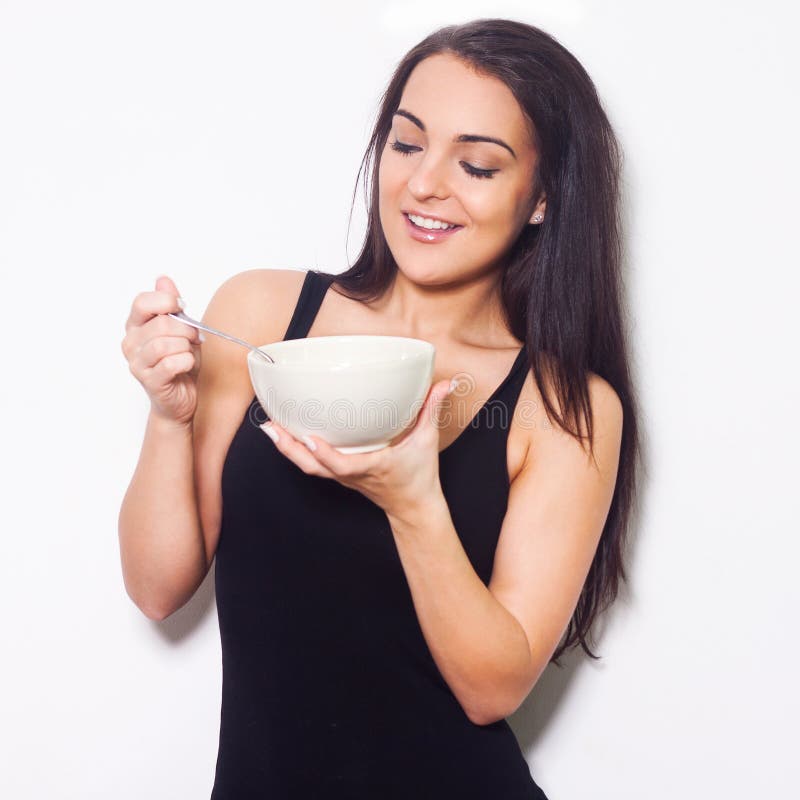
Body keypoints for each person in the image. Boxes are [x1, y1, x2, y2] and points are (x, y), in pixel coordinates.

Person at [119, 18, 640, 799]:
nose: (425, 183)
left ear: (542, 199)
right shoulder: (261, 315)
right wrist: (169, 417)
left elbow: (491, 688)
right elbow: (158, 589)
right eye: (406, 144)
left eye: (476, 164)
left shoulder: (564, 406)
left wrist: (414, 500)